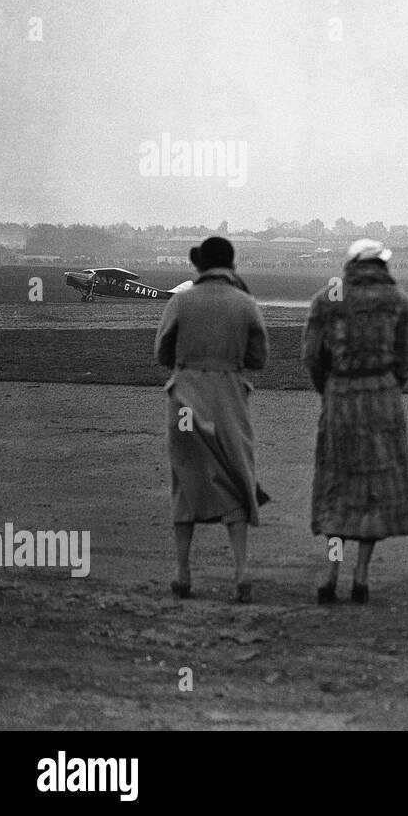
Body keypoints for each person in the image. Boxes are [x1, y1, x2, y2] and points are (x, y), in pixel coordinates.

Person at [154, 236, 268, 603]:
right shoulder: (245, 303)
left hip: (185, 396)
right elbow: (258, 359)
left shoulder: (180, 301)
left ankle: (182, 572)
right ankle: (241, 573)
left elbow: (162, 353)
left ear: (200, 265)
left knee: (185, 479)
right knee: (234, 477)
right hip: (229, 400)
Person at [303, 239, 408, 605]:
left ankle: (331, 573)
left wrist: (332, 388)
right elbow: (406, 355)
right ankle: (362, 576)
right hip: (382, 397)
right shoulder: (396, 300)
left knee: (337, 484)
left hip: (340, 398)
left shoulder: (328, 297)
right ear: (381, 265)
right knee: (374, 488)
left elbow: (312, 356)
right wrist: (387, 383)